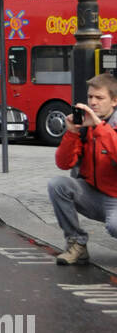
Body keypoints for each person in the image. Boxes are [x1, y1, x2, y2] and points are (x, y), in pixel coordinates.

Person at [48, 73, 117, 265]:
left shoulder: (104, 126)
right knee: (57, 184)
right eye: (90, 97)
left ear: (114, 101)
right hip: (94, 196)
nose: (93, 102)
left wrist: (100, 126)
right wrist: (72, 132)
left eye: (99, 98)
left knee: (115, 226)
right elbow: (63, 163)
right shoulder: (86, 126)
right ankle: (77, 244)